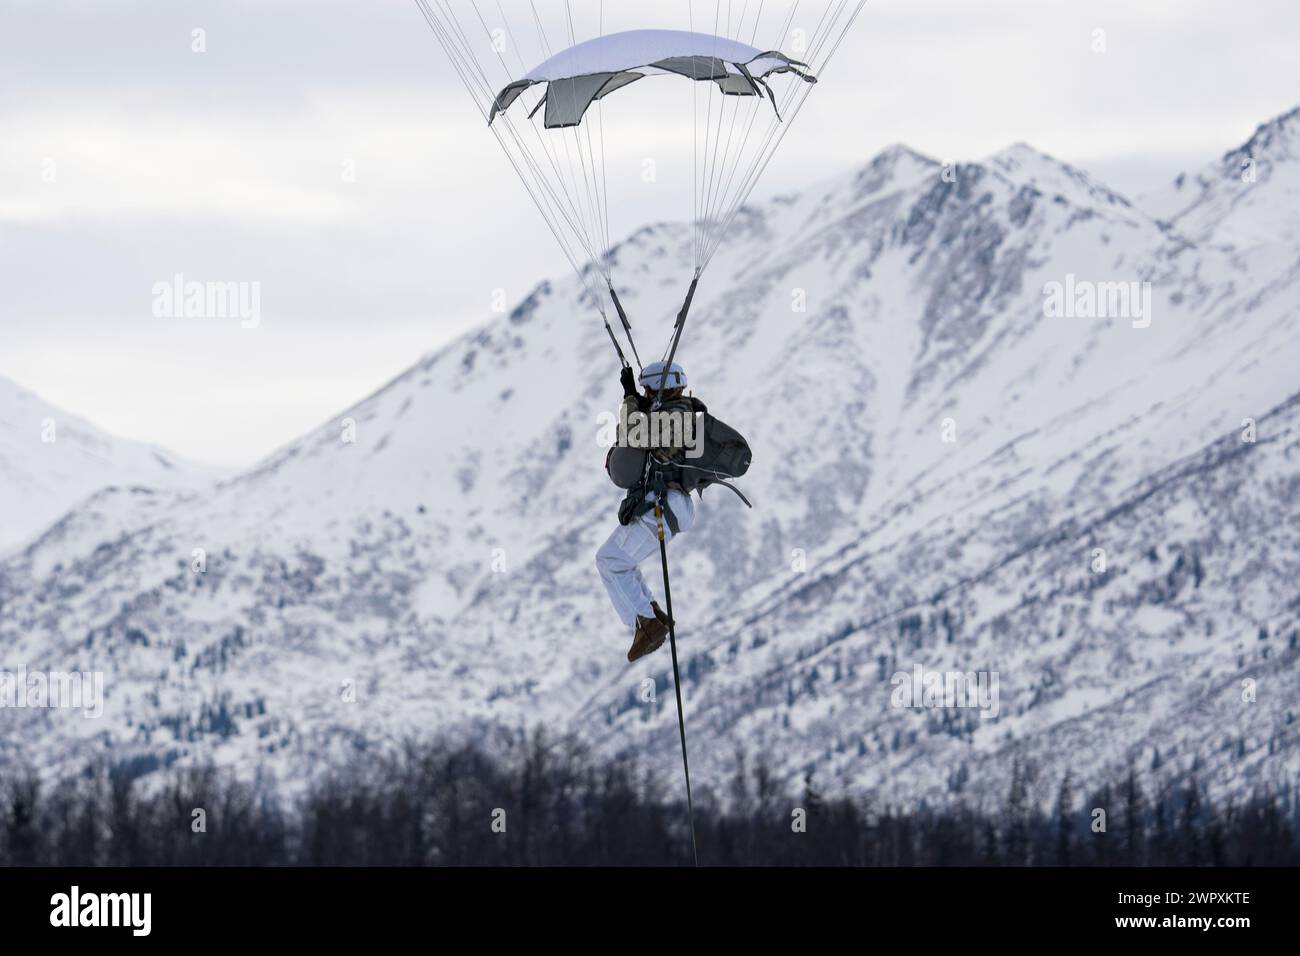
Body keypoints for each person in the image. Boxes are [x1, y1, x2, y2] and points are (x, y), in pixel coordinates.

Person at [596, 360, 703, 662]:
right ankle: (650, 615)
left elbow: (631, 433)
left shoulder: (676, 418)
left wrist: (632, 397)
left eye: (648, 387)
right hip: (666, 503)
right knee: (618, 562)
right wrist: (640, 403)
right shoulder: (676, 413)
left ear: (660, 387)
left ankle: (646, 624)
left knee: (610, 560)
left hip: (661, 503)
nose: (645, 392)